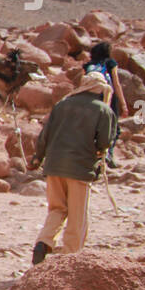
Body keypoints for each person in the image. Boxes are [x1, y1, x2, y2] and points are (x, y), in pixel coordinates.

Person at [28, 72, 117, 265]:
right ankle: (71, 259)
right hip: (80, 168)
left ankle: (44, 241)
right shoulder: (103, 110)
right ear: (100, 89)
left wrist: (38, 157)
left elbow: (45, 135)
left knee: (57, 209)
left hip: (53, 166)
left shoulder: (61, 105)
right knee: (77, 215)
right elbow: (105, 142)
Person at [82, 41, 128, 168]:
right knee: (114, 128)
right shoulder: (110, 63)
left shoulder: (88, 65)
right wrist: (123, 104)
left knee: (93, 128)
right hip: (107, 97)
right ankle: (108, 155)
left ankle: (92, 157)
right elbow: (116, 83)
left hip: (89, 98)